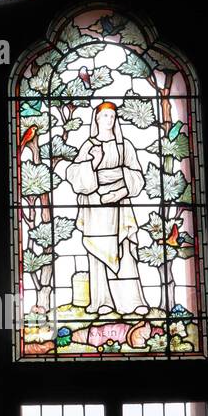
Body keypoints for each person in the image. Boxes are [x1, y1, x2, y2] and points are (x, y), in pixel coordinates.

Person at [65, 101, 148, 316]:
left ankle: (131, 302)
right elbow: (75, 175)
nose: (109, 120)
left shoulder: (124, 146)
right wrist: (93, 164)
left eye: (112, 116)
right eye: (105, 116)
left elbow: (137, 176)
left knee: (125, 251)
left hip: (120, 205)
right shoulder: (89, 145)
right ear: (97, 119)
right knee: (96, 252)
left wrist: (118, 192)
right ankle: (102, 301)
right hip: (95, 206)